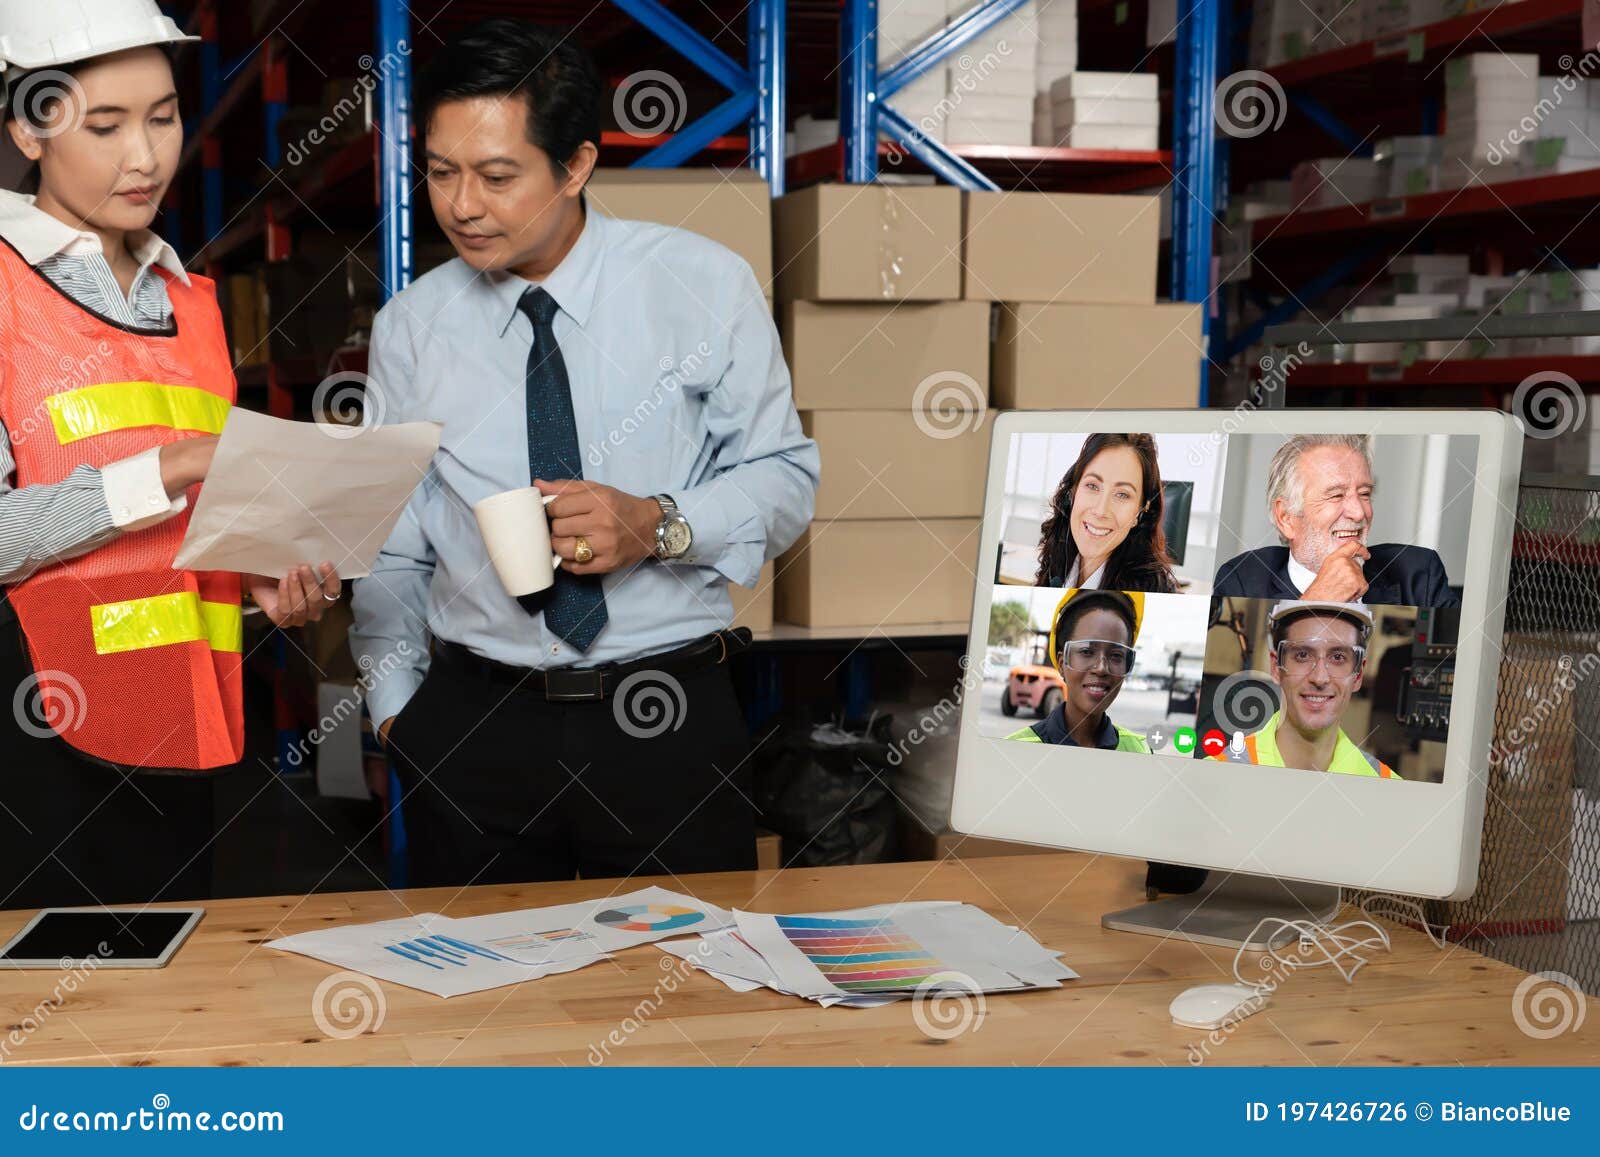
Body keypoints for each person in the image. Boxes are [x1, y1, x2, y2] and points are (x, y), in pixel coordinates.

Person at [349, 20, 819, 888]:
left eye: (496, 176)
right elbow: (392, 540)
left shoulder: (700, 284)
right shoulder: (411, 328)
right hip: (473, 723)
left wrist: (659, 525)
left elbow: (786, 477)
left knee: (690, 994)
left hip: (665, 720)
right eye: (441, 172)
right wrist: (394, 711)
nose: (461, 205)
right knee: (484, 1007)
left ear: (575, 166)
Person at [0, 0, 340, 911]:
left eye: (162, 116)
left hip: (185, 729)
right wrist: (172, 468)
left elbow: (190, 523)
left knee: (174, 1008)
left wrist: (260, 571)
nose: (145, 156)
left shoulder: (189, 298)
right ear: (27, 132)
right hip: (35, 736)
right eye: (104, 126)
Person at [1213, 433, 1459, 607]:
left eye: (1364, 494)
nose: (1359, 512)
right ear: (1286, 517)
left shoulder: (1418, 571)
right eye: (1336, 495)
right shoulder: (1242, 579)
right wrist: (1316, 600)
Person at [1208, 600, 1400, 778]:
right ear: (1276, 667)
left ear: (1357, 675)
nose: (1320, 678)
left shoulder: (1389, 789)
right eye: (1302, 655)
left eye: (1338, 657)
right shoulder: (1217, 775)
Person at [1008, 588, 1152, 752]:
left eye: (1116, 655)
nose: (1101, 668)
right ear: (1062, 664)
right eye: (1086, 652)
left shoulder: (1141, 750)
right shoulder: (1015, 749)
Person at [1035, 433, 1179, 592]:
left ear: (1140, 512)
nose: (1100, 511)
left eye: (1122, 494)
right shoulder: (1056, 562)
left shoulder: (1156, 597)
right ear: (1073, 492)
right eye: (1092, 486)